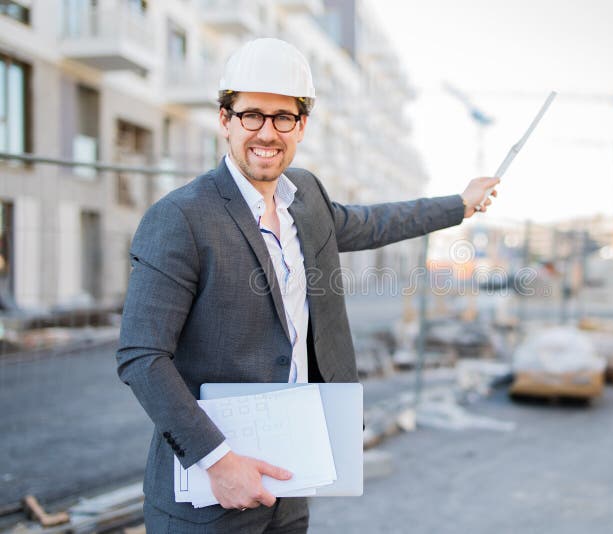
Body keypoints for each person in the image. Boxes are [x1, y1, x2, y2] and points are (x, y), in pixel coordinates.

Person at [116, 38, 499, 533]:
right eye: (252, 115)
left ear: (301, 126)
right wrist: (218, 461)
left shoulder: (307, 197)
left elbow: (372, 222)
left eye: (283, 118)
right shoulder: (181, 218)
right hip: (210, 496)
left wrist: (458, 204)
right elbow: (141, 356)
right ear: (225, 120)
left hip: (292, 477)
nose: (267, 133)